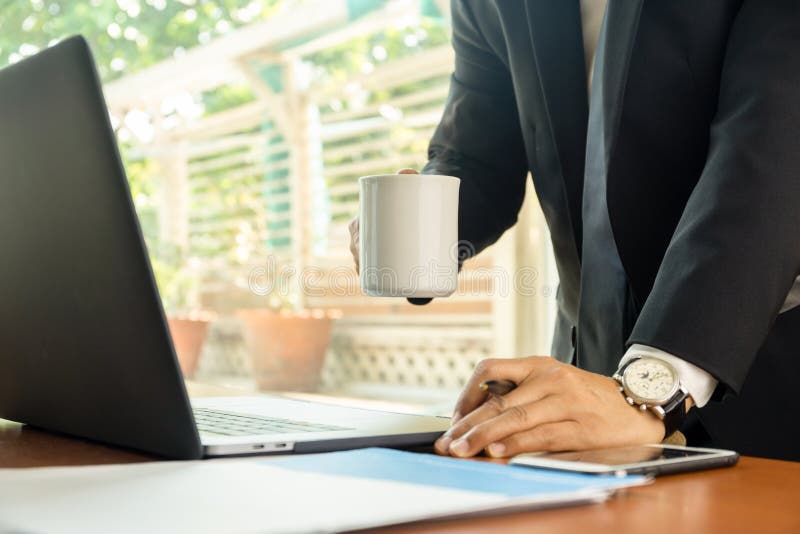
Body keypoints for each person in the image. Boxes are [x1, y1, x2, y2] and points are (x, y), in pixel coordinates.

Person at [349, 0, 800, 462]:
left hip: (762, 386)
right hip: (584, 393)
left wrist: (650, 387)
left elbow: (776, 138)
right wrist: (418, 221)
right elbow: (479, 156)